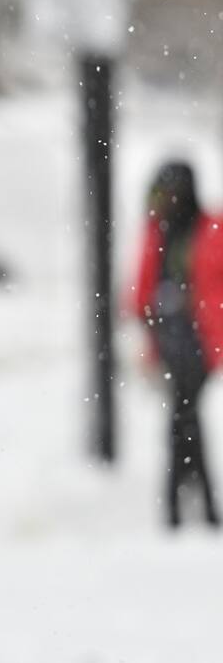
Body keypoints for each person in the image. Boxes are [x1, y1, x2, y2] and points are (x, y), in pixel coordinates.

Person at [130, 159, 223, 528]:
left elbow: (211, 287)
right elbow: (143, 287)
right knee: (184, 420)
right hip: (171, 342)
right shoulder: (160, 232)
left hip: (200, 342)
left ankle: (179, 505)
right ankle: (195, 504)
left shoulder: (207, 230)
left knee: (183, 419)